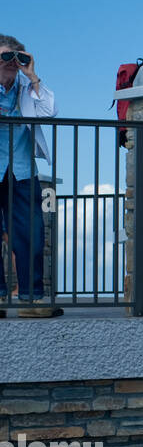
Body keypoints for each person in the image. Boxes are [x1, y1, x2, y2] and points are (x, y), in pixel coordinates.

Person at [0, 34, 60, 317]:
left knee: (32, 234)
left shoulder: (25, 86)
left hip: (22, 171)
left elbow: (49, 111)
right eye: (4, 57)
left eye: (16, 57)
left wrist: (32, 75)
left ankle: (31, 300)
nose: (11, 63)